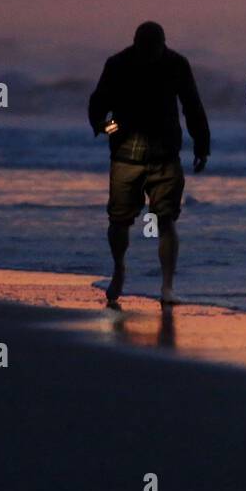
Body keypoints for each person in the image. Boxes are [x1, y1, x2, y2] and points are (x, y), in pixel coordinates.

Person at [88, 22, 210, 307]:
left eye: (154, 49)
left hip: (165, 154)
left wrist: (202, 146)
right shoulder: (118, 63)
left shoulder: (176, 64)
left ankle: (167, 286)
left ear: (163, 45)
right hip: (125, 155)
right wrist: (104, 127)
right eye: (145, 49)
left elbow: (192, 105)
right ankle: (119, 268)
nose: (150, 55)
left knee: (166, 220)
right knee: (119, 221)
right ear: (135, 43)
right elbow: (98, 102)